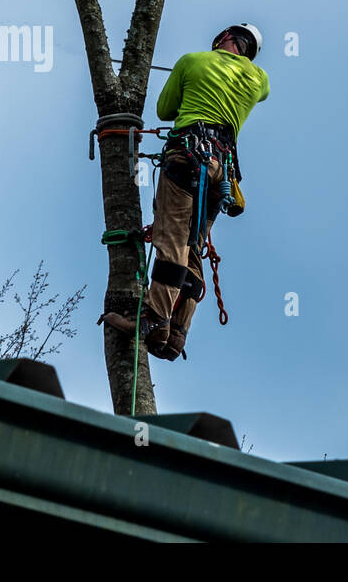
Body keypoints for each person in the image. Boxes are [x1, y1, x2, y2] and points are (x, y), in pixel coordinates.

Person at [103, 23, 268, 359]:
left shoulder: (192, 61)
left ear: (222, 38)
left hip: (187, 156)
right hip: (219, 171)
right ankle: (177, 332)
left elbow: (165, 110)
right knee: (193, 246)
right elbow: (262, 91)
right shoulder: (259, 79)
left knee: (173, 238)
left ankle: (153, 319)